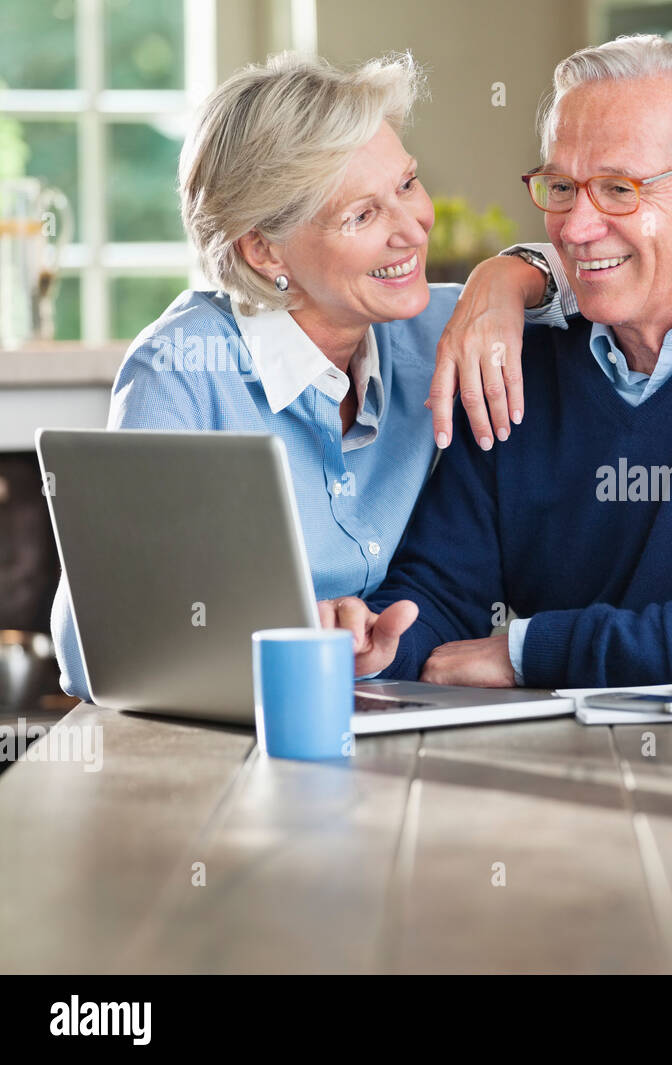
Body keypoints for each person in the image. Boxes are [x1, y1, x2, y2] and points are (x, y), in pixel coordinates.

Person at [322, 35, 672, 688]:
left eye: (620, 188)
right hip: (556, 769)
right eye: (561, 185)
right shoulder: (525, 354)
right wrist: (379, 639)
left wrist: (524, 652)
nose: (574, 226)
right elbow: (441, 593)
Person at [50, 51, 579, 701]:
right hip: (232, 737)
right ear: (264, 249)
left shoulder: (437, 324)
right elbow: (91, 650)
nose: (412, 229)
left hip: (379, 709)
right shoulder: (184, 371)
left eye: (407, 184)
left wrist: (507, 276)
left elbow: (606, 272)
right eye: (362, 215)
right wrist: (289, 630)